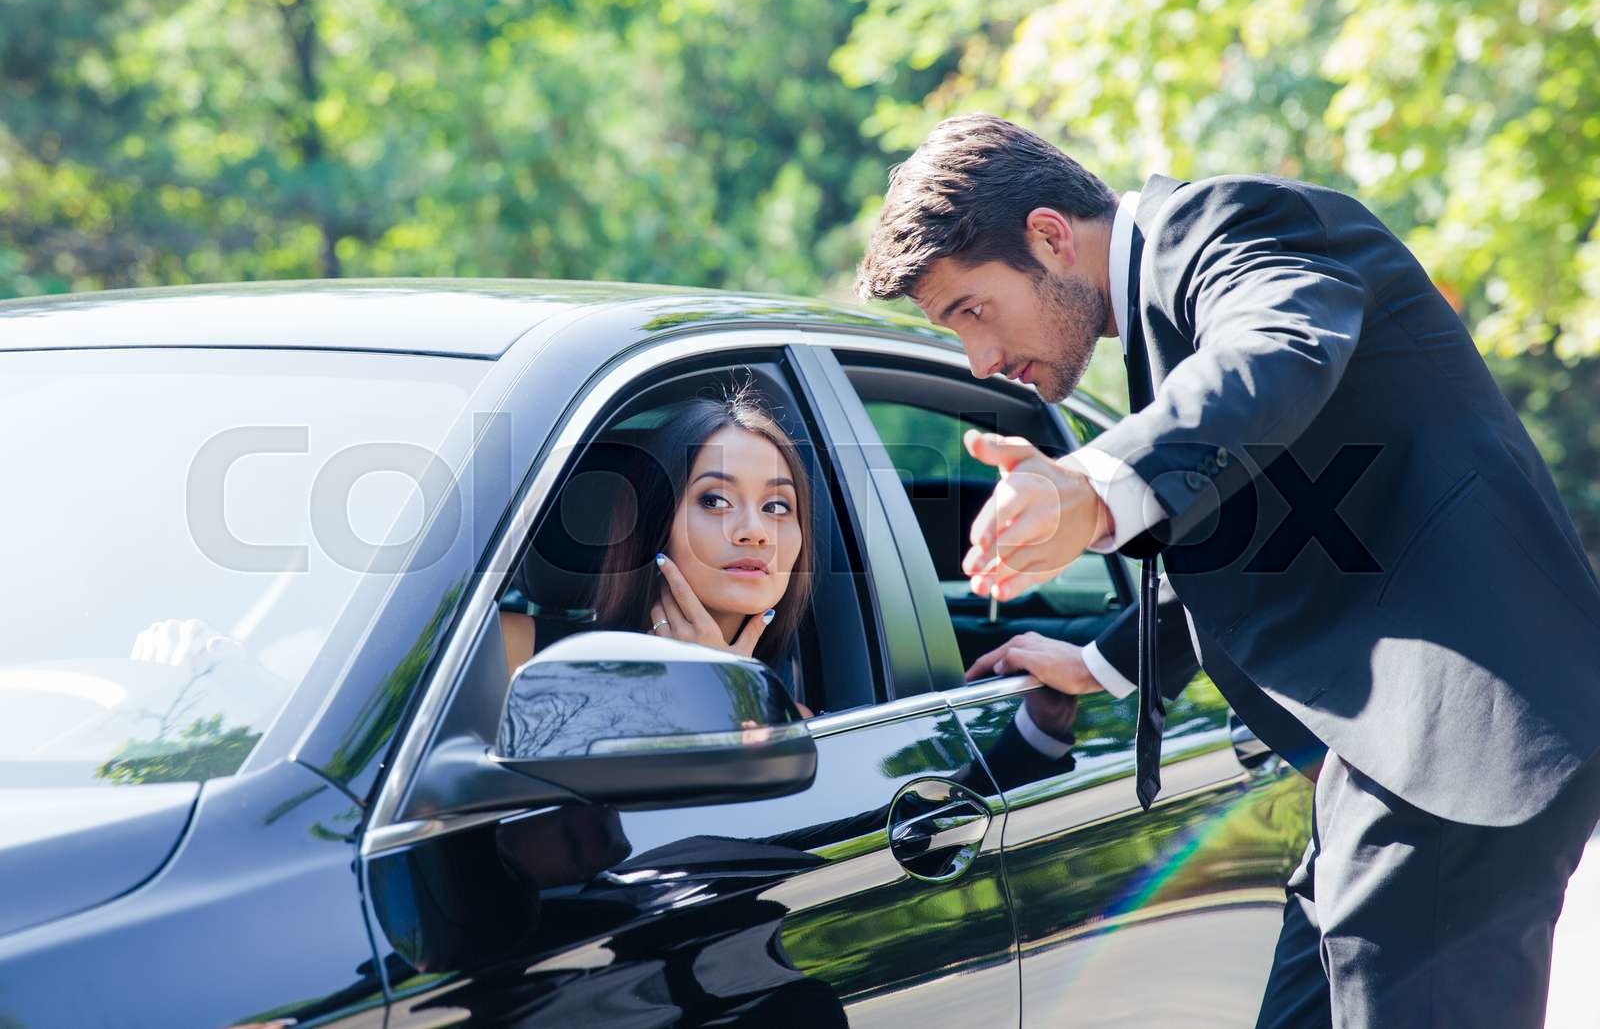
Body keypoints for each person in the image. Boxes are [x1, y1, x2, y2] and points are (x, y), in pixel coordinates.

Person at [853, 112, 1600, 1027]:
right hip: (1388, 767)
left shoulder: (1230, 229)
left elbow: (1277, 348)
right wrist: (1097, 666)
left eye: (971, 310)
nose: (983, 360)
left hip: (1458, 744)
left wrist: (1094, 486)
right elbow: (1258, 526)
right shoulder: (1167, 319)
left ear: (1049, 237)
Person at [500, 388, 817, 716]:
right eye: (715, 501)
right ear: (656, 524)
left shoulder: (788, 721)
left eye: (776, 506)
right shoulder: (510, 654)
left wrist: (722, 692)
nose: (755, 531)